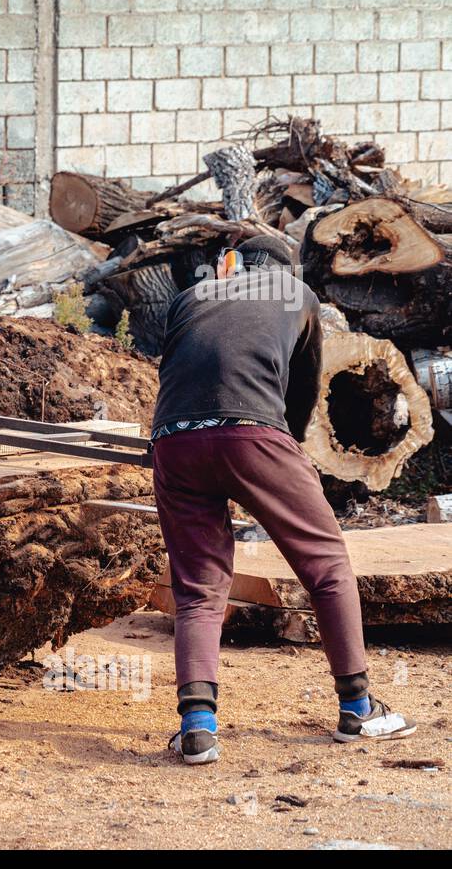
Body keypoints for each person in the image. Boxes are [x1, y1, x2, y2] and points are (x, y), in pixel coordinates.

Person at [150, 235, 416, 765]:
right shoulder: (298, 295)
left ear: (232, 265)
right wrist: (277, 452)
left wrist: (191, 440)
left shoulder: (191, 296)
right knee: (327, 566)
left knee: (200, 587)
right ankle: (358, 707)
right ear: (285, 270)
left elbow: (179, 371)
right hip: (254, 433)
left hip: (172, 438)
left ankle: (198, 728)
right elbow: (301, 394)